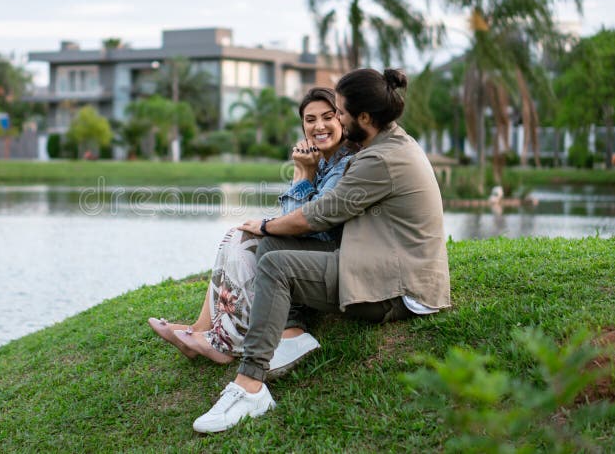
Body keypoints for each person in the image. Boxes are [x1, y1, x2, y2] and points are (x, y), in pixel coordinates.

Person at [191, 68, 451, 433]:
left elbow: (317, 217)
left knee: (277, 263)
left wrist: (264, 224)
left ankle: (250, 386)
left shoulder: (378, 161)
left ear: (363, 118)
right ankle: (292, 332)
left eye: (340, 113)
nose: (336, 120)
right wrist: (270, 231)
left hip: (400, 288)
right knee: (271, 246)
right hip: (377, 262)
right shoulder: (385, 143)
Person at [148, 87, 355, 365]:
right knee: (236, 235)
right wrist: (304, 171)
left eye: (328, 117)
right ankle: (200, 330)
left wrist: (301, 174)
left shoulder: (344, 167)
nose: (318, 126)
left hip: (329, 256)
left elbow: (306, 226)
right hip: (312, 245)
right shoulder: (323, 162)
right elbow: (292, 218)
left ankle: (225, 343)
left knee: (247, 240)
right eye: (309, 119)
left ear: (342, 119)